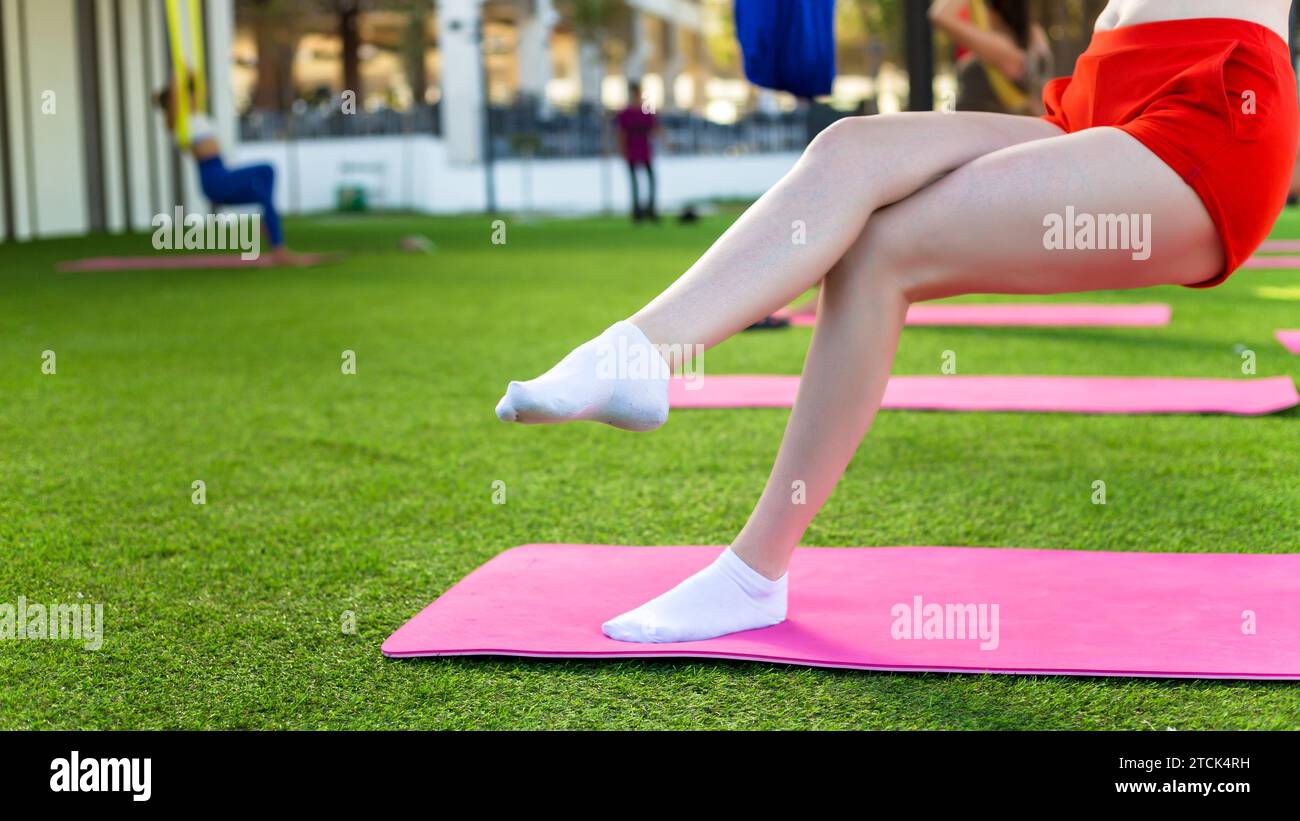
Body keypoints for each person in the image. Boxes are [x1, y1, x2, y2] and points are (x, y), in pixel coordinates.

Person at [497, 0, 1298, 644]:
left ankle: (751, 574)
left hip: (1214, 106)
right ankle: (639, 353)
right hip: (1100, 96)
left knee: (884, 248)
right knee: (850, 150)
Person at [155, 78, 304, 264]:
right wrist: (177, 72)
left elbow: (202, 88)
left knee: (265, 193)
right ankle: (275, 241)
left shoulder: (195, 117)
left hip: (221, 172)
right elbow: (177, 96)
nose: (191, 98)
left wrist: (190, 73)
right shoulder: (178, 125)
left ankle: (277, 247)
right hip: (215, 179)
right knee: (266, 170)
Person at [931, 0, 1053, 115]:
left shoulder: (1002, 48)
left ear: (992, 12)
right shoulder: (1035, 36)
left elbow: (939, 16)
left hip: (986, 132)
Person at [614, 81, 661, 223]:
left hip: (645, 149)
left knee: (650, 179)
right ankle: (637, 211)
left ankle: (650, 209)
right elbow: (621, 133)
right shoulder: (625, 113)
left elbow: (655, 128)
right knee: (634, 181)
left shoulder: (646, 110)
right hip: (632, 149)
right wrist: (622, 150)